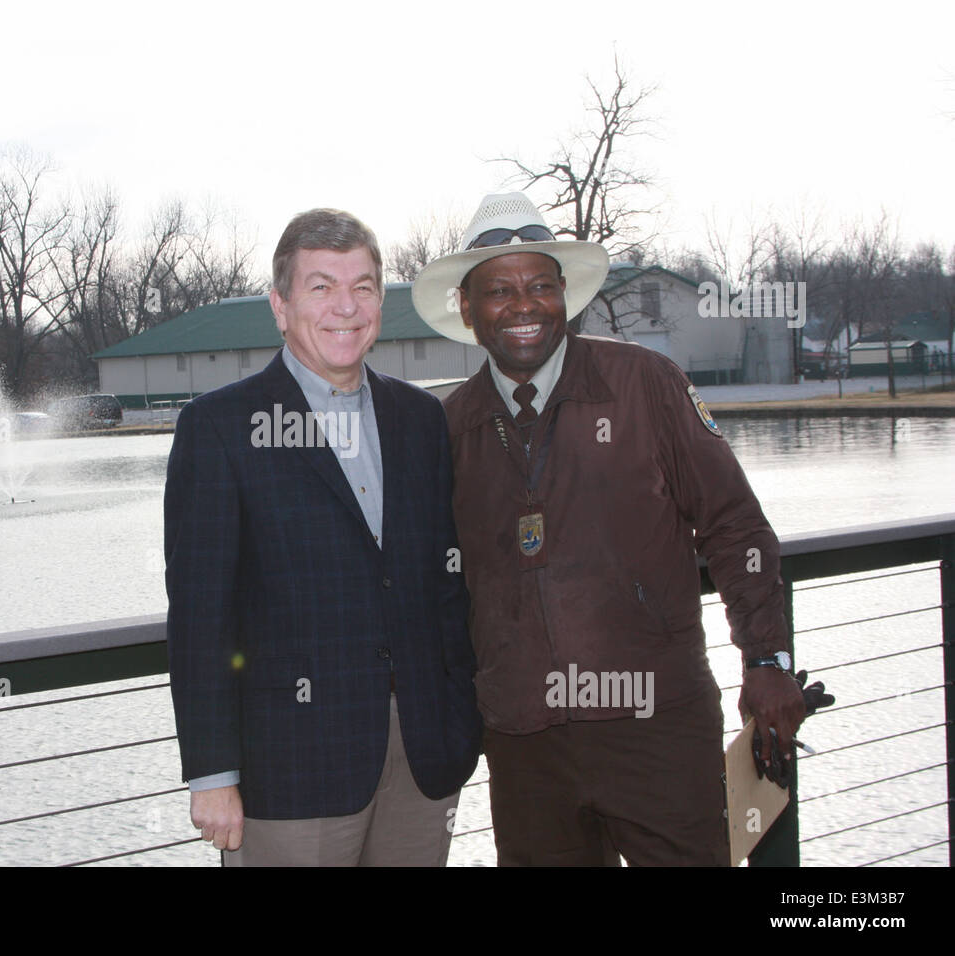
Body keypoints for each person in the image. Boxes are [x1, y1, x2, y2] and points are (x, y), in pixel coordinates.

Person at [411, 192, 806, 866]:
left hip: (657, 726)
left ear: (565, 294)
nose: (523, 304)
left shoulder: (645, 384)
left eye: (540, 285)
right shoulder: (447, 430)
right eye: (499, 290)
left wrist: (766, 659)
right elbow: (431, 587)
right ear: (468, 310)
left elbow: (734, 525)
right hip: (524, 745)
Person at [165, 208, 481, 866]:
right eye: (321, 286)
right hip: (291, 769)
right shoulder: (220, 428)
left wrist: (461, 717)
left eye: (363, 287)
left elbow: (445, 585)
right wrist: (213, 773)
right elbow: (201, 617)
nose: (346, 306)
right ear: (281, 307)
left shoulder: (421, 419)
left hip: (422, 759)